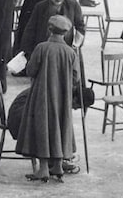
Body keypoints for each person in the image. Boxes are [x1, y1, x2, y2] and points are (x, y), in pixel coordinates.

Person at [16, 15, 78, 182]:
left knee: (42, 127)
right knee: (59, 127)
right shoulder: (70, 52)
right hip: (62, 98)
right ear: (65, 33)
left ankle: (43, 168)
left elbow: (31, 70)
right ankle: (57, 166)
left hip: (41, 96)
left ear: (49, 29)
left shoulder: (41, 48)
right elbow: (75, 77)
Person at [19, 0, 85, 58]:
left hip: (66, 48)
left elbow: (80, 26)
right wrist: (27, 50)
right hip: (45, 49)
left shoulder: (73, 6)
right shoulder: (40, 7)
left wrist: (75, 44)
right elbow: (30, 29)